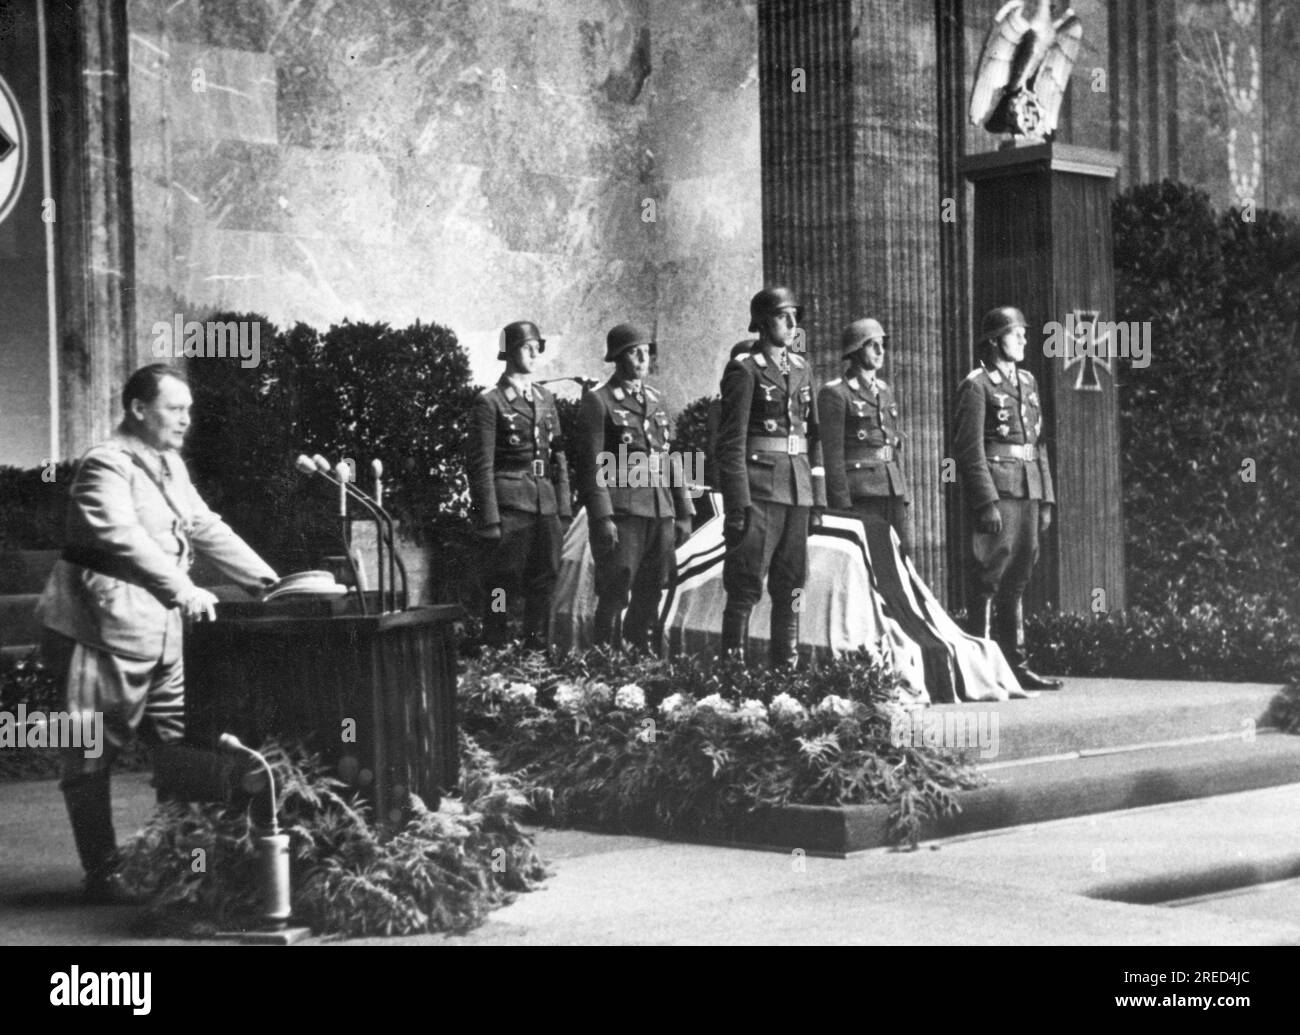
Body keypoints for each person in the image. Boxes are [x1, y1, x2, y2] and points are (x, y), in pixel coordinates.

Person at [36, 364, 279, 902]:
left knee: (180, 748)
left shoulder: (168, 463)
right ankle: (103, 873)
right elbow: (123, 538)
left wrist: (271, 583)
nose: (185, 420)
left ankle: (182, 864)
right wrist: (182, 588)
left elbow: (203, 525)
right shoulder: (106, 464)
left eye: (189, 410)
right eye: (174, 409)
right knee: (91, 748)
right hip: (103, 625)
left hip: (164, 627)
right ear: (138, 409)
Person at [953, 306, 1064, 691]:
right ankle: (982, 670)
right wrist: (985, 502)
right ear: (996, 339)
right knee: (989, 576)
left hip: (1029, 490)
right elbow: (969, 451)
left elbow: (1040, 444)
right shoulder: (977, 385)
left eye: (1023, 334)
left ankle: (1015, 665)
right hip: (1000, 494)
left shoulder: (1028, 383)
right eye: (1016, 334)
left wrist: (1046, 499)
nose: (1024, 340)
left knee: (1019, 576)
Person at [716, 286, 826, 667]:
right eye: (784, 316)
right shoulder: (744, 370)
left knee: (793, 584)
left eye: (795, 315)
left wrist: (817, 499)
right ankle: (733, 674)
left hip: (798, 492)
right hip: (760, 491)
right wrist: (738, 504)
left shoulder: (802, 369)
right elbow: (731, 444)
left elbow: (814, 439)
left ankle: (786, 668)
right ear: (763, 322)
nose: (793, 323)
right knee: (745, 585)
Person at [576, 323, 694, 652]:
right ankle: (605, 667)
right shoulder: (598, 401)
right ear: (617, 357)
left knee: (652, 589)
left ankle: (640, 662)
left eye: (646, 351)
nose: (643, 357)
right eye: (633, 351)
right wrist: (602, 518)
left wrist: (683, 511)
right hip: (623, 511)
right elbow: (591, 465)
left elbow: (670, 456)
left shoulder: (658, 400)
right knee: (615, 591)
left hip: (659, 509)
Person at [467, 320, 572, 649]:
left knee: (546, 577)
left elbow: (559, 458)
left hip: (545, 503)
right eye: (527, 346)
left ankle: (534, 646)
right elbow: (480, 466)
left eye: (536, 346)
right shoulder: (491, 402)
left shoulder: (544, 398)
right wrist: (489, 518)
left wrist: (564, 506)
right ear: (510, 352)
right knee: (501, 584)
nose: (534, 352)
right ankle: (495, 639)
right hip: (510, 505)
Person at [818, 318, 913, 554]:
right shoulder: (835, 393)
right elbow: (832, 456)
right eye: (873, 345)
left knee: (902, 555)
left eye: (882, 344)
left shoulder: (884, 390)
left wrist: (903, 494)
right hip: (861, 493)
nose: (881, 351)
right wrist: (842, 505)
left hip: (891, 489)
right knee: (871, 560)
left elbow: (892, 444)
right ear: (856, 350)